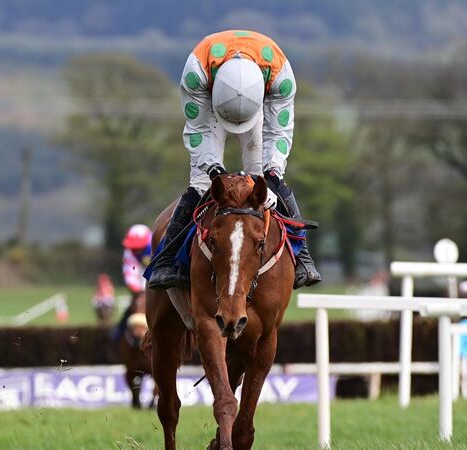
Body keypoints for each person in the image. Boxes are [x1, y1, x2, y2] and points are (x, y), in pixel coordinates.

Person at [147, 29, 322, 290]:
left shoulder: (280, 75)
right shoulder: (196, 71)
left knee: (267, 185)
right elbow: (197, 132)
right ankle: (165, 261)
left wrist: (272, 172)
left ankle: (303, 258)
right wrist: (214, 170)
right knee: (201, 184)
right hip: (208, 103)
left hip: (258, 105)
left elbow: (279, 132)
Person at [113, 224, 152, 341]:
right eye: (134, 248)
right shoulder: (129, 252)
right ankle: (119, 331)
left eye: (139, 247)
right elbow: (130, 273)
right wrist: (138, 291)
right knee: (135, 304)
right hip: (140, 284)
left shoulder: (156, 245)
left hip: (157, 281)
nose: (136, 250)